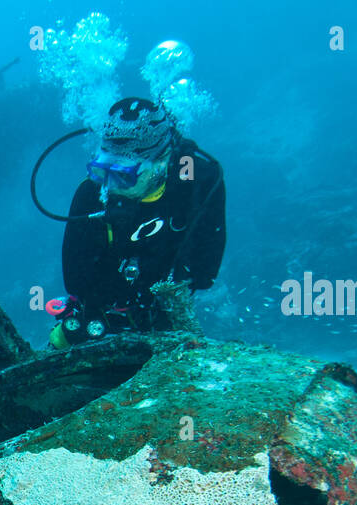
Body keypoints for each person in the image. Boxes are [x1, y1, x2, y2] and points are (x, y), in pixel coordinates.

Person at [47, 97, 225, 346]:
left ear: (160, 162)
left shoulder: (199, 183)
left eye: (123, 175)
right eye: (103, 171)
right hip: (100, 318)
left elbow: (204, 273)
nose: (109, 185)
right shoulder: (91, 194)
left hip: (161, 318)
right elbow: (76, 281)